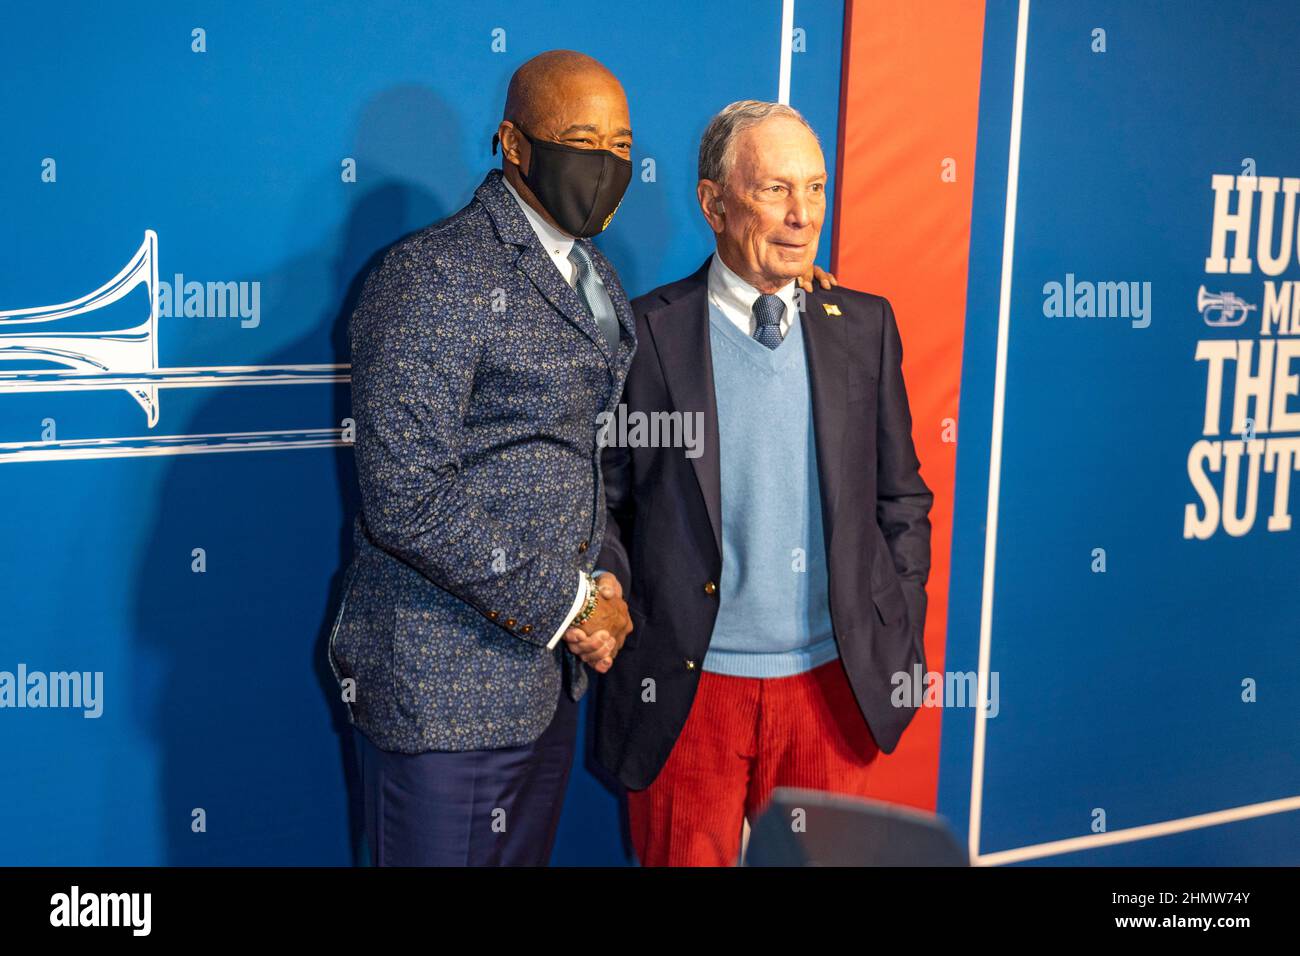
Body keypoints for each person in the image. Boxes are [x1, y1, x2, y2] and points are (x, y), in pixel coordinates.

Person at [592, 100, 934, 866]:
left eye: (814, 188)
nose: (802, 216)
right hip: (687, 689)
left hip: (832, 685)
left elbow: (901, 498)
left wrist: (897, 620)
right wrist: (612, 595)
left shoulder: (863, 325)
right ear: (714, 203)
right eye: (775, 190)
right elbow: (603, 505)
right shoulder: (645, 334)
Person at [328, 50, 635, 866]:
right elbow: (407, 497)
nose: (605, 164)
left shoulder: (598, 278)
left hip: (545, 687)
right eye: (581, 141)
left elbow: (582, 460)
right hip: (443, 691)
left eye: (621, 146)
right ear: (514, 143)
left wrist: (605, 581)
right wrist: (571, 607)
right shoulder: (431, 274)